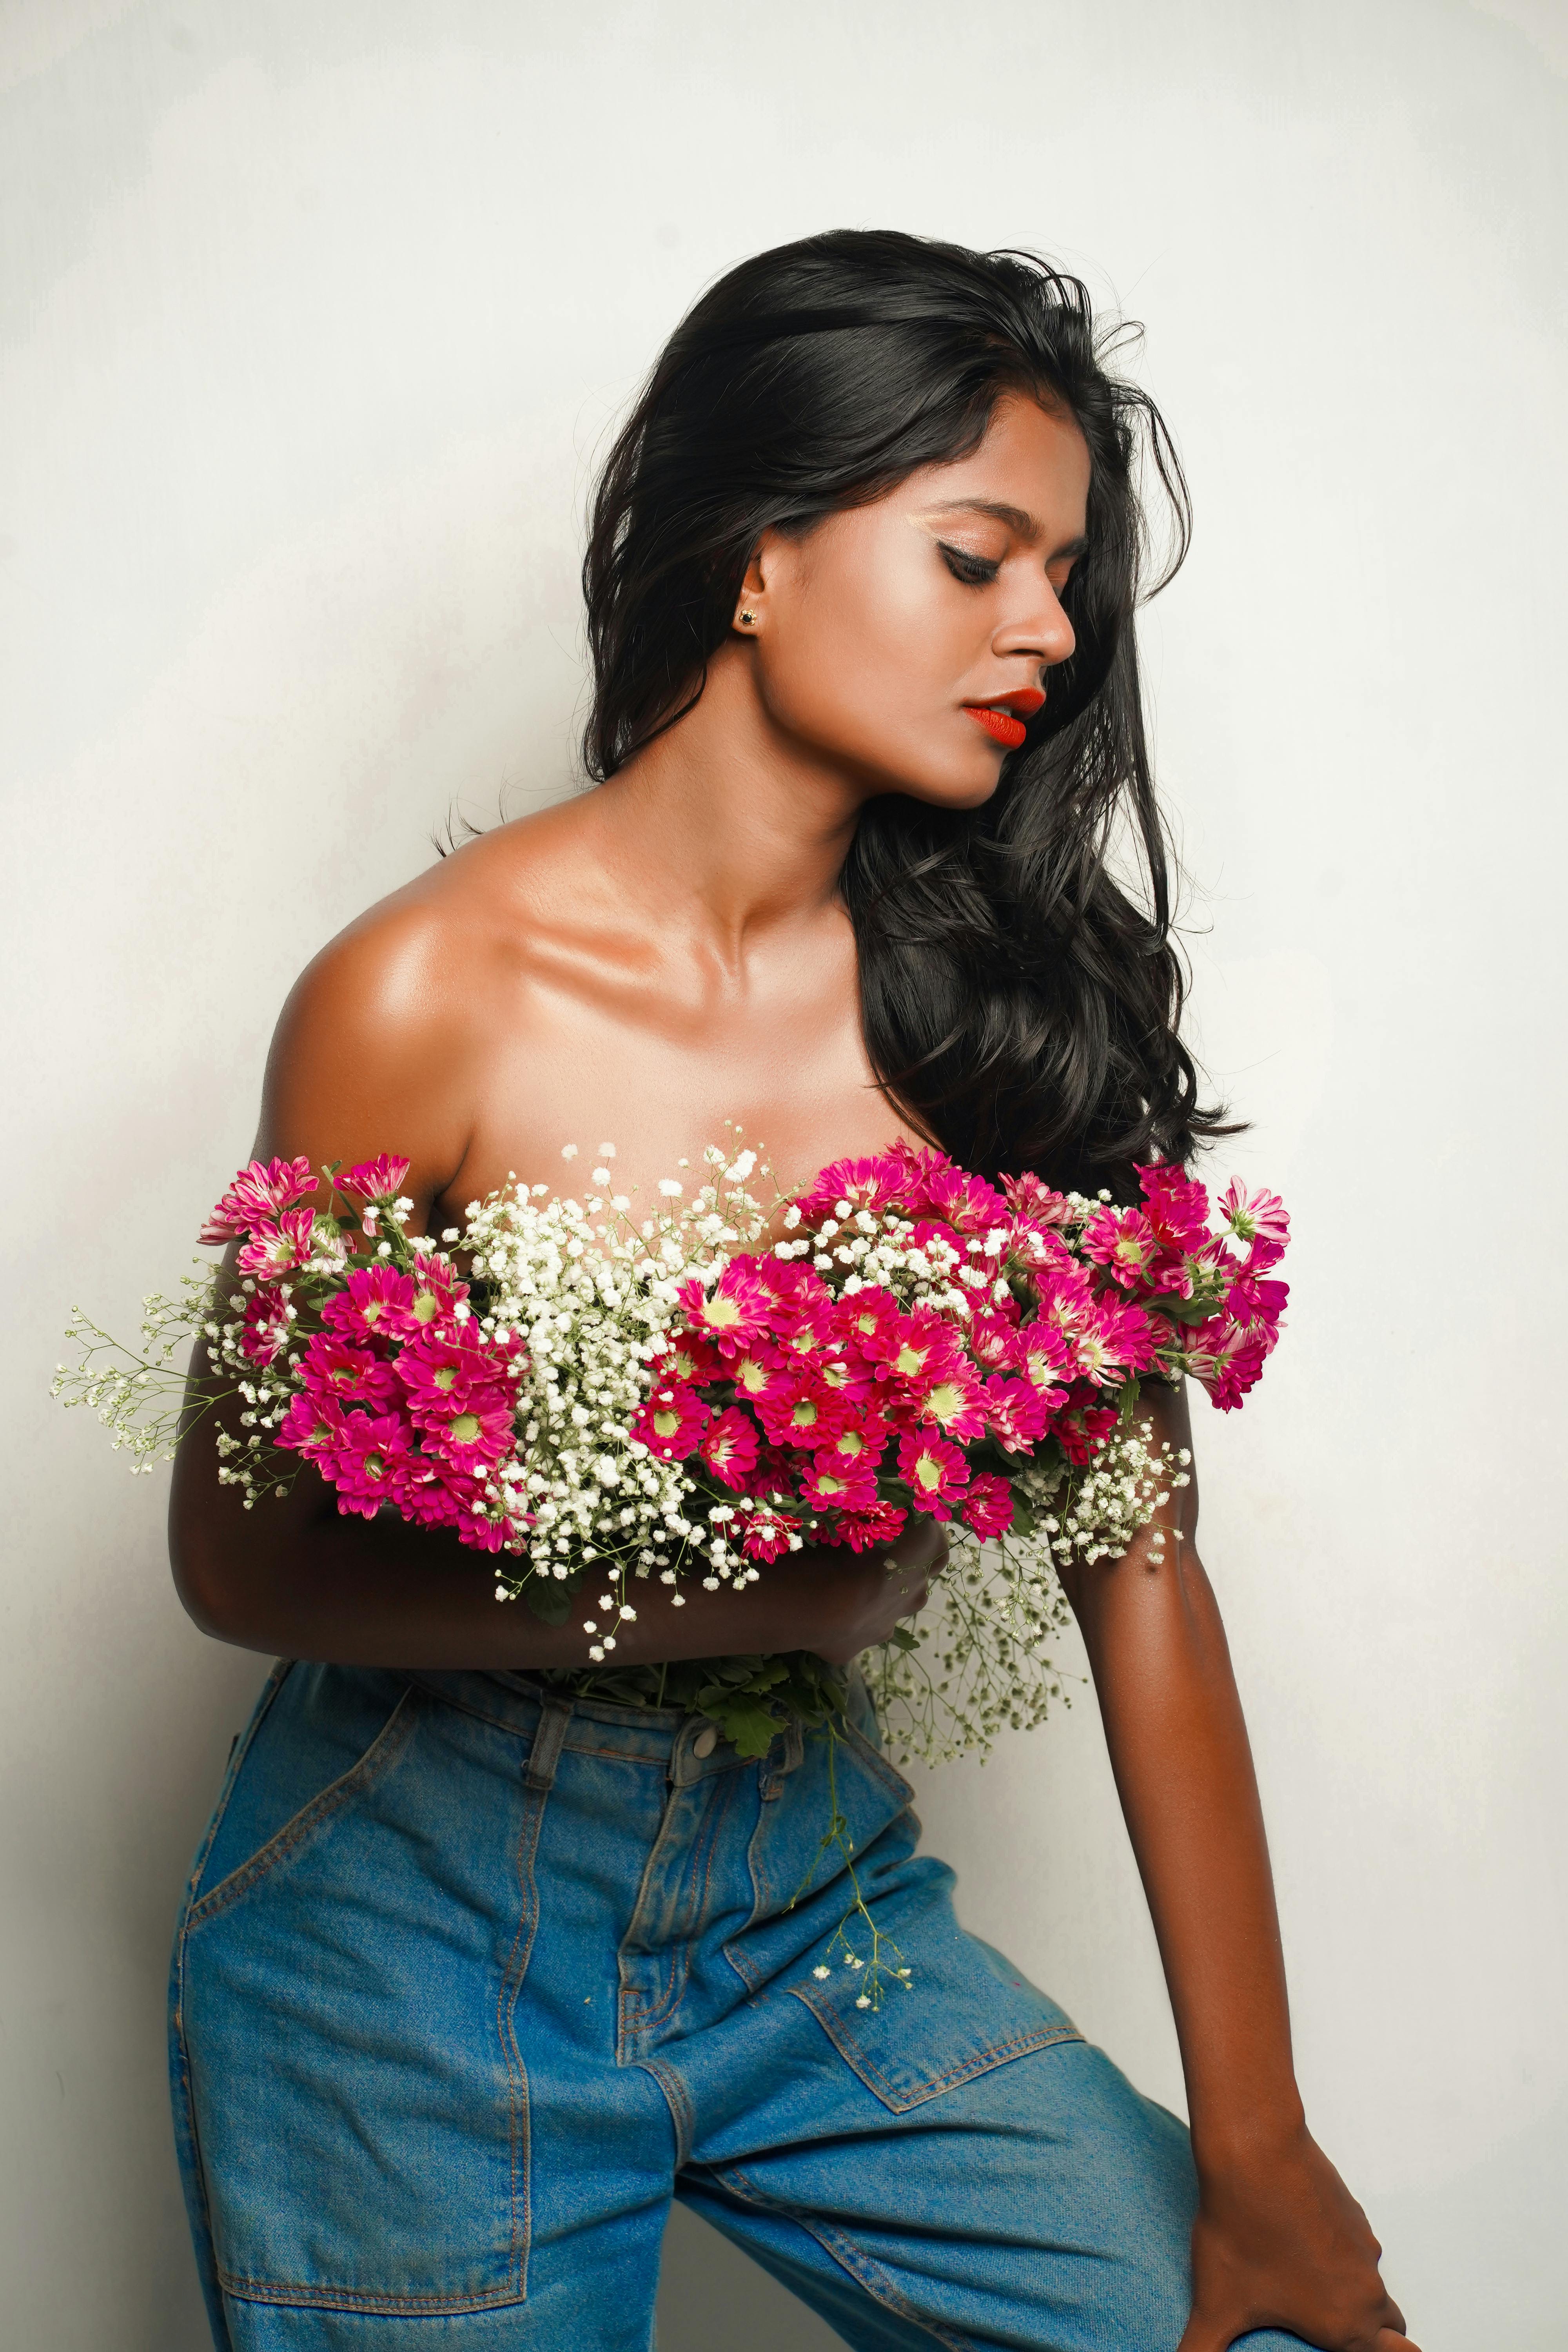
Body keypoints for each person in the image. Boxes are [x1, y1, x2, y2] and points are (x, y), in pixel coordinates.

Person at [167, 229, 1416, 2352]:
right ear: (761, 559)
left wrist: (1261, 2142)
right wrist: (774, 1600)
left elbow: (1142, 1567)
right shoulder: (420, 993)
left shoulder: (998, 1021)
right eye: (978, 556)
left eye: (1067, 578)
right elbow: (235, 1563)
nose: (1048, 629)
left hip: (809, 1908)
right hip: (406, 1938)